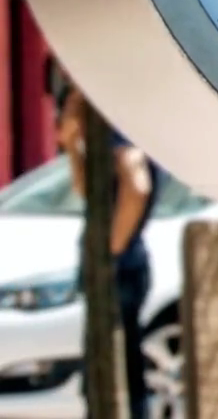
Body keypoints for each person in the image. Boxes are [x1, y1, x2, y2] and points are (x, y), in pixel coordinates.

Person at [57, 87, 157, 419]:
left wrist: (112, 248)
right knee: (105, 365)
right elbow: (85, 189)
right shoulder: (101, 135)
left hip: (120, 266)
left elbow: (137, 183)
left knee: (118, 369)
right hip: (113, 263)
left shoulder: (116, 123)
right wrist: (72, 144)